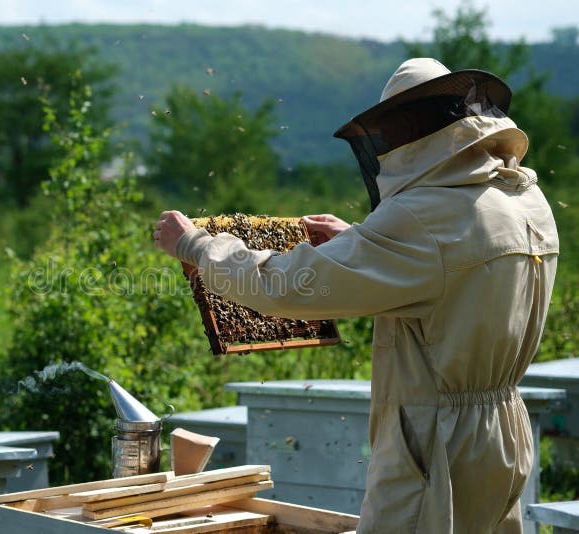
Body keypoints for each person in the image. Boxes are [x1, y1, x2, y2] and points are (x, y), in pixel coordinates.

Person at [153, 58, 559, 533]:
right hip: (503, 432)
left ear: (414, 128)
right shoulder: (522, 199)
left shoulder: (424, 219)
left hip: (435, 443)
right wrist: (359, 242)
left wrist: (196, 245)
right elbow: (449, 275)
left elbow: (284, 284)